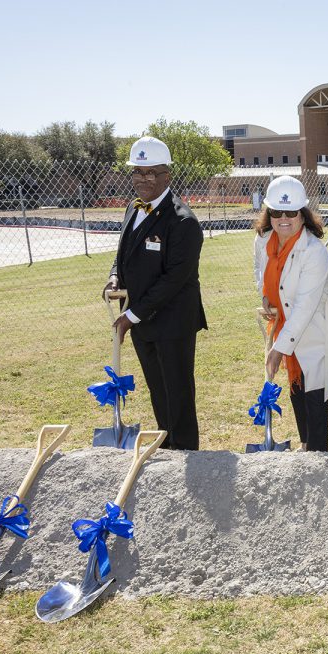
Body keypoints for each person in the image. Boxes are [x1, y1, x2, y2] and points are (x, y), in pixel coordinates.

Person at [103, 136, 206, 450]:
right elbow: (123, 253)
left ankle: (186, 452)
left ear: (166, 176)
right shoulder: (133, 209)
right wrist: (114, 276)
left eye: (151, 172)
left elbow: (174, 280)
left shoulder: (183, 221)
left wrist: (130, 316)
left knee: (177, 395)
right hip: (142, 321)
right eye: (137, 171)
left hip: (172, 322)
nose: (143, 179)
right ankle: (167, 447)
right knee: (158, 391)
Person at [253, 176, 328, 452]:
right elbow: (259, 271)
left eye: (291, 212)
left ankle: (318, 452)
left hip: (319, 322)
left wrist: (278, 349)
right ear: (269, 213)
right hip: (287, 319)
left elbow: (305, 306)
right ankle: (305, 444)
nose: (283, 219)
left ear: (302, 215)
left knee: (315, 389)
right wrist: (265, 297)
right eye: (277, 212)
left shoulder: (314, 252)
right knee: (296, 383)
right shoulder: (263, 240)